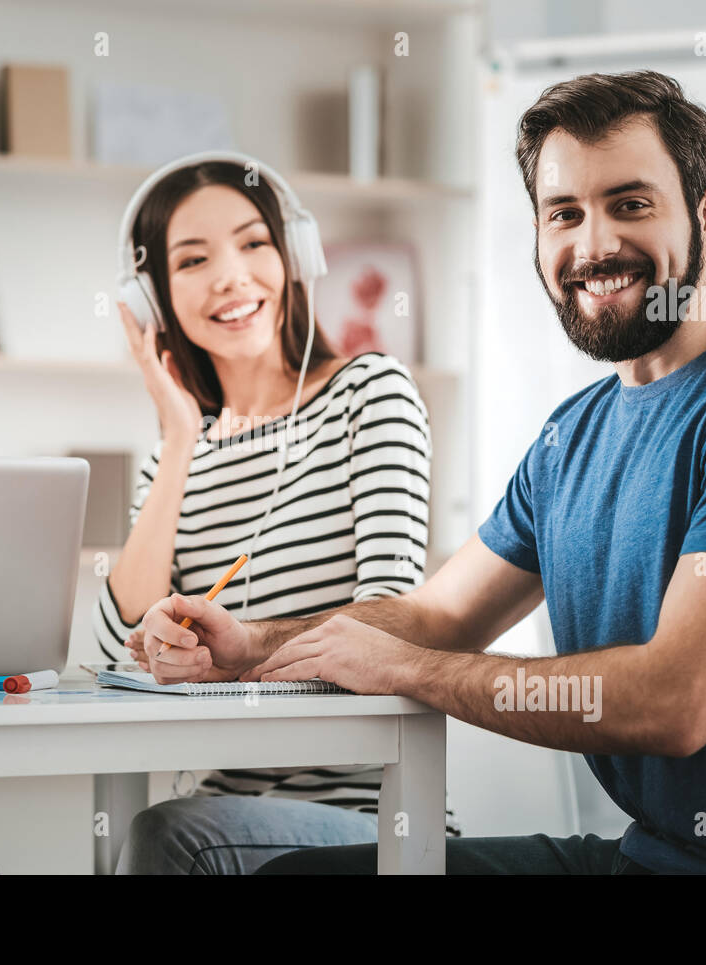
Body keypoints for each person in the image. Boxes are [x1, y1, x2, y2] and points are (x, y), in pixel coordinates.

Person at [136, 72, 706, 875]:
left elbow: (676, 700)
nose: (595, 244)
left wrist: (413, 673)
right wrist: (253, 645)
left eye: (630, 204)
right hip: (652, 857)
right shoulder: (574, 436)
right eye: (564, 213)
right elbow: (438, 616)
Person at [94, 155, 451, 874]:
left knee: (161, 837)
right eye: (193, 259)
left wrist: (243, 648)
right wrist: (178, 436)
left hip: (368, 811)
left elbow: (390, 617)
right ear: (155, 298)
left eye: (253, 243)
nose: (231, 276)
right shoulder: (175, 453)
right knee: (137, 837)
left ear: (296, 258)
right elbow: (116, 650)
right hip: (222, 808)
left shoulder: (369, 392)